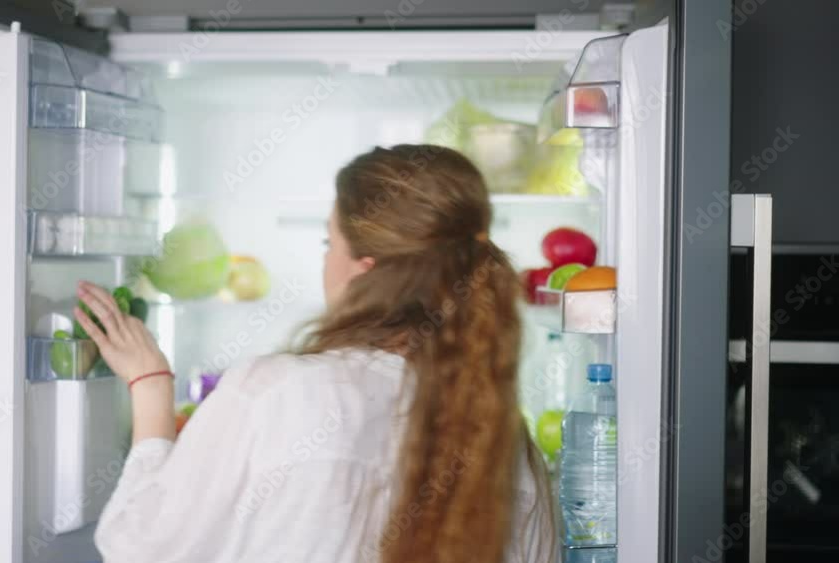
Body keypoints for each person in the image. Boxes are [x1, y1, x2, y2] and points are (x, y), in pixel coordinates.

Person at [76, 144, 557, 563]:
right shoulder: (503, 435)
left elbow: (139, 548)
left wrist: (150, 387)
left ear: (362, 272)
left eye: (330, 243)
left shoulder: (276, 392)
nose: (326, 258)